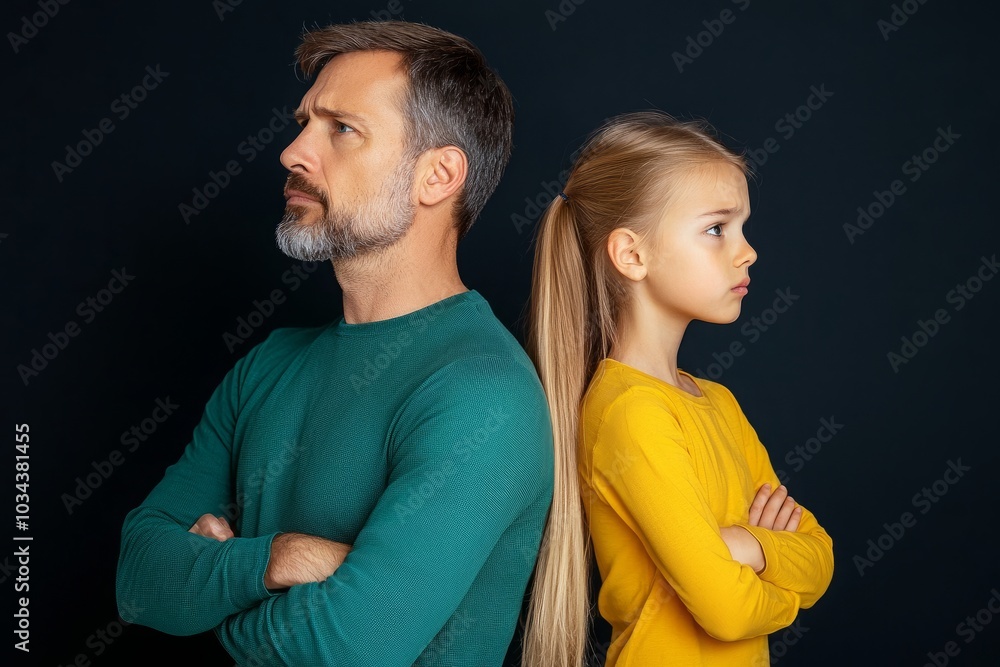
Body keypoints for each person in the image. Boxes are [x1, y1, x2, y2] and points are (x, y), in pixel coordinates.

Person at [116, 21, 558, 666]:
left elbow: (342, 649)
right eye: (303, 123)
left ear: (437, 176)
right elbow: (137, 580)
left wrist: (217, 596)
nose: (293, 152)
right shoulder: (270, 362)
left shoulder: (484, 393)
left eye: (340, 128)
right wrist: (277, 559)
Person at [527, 111, 834, 666]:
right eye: (717, 229)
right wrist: (770, 554)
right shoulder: (630, 413)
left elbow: (821, 556)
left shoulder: (718, 403)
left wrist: (742, 546)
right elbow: (727, 611)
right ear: (632, 255)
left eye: (742, 227)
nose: (747, 251)